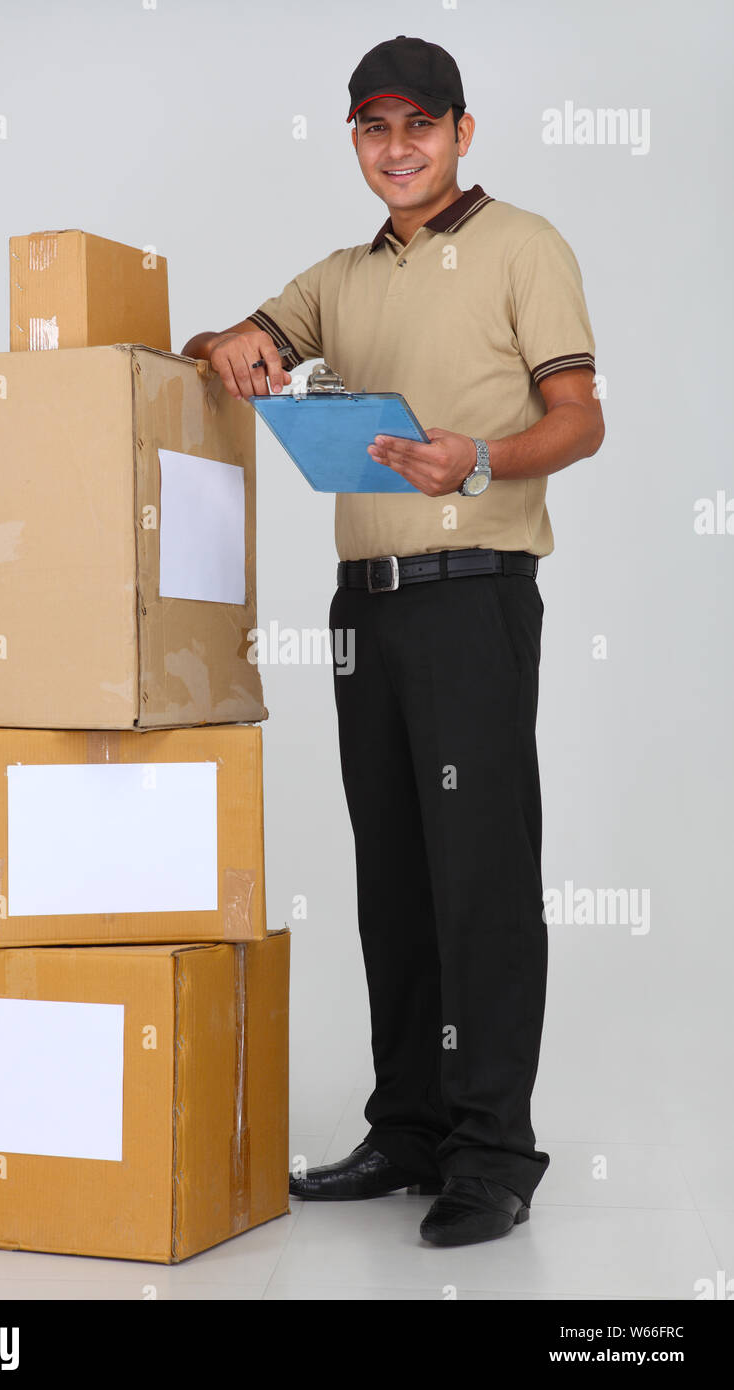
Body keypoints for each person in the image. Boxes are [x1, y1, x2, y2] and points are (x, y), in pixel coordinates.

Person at [181, 34, 604, 1247]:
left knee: (477, 874)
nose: (397, 148)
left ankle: (491, 1153)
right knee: (395, 874)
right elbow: (232, 339)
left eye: (419, 124)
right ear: (356, 142)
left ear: (462, 132)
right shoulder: (341, 274)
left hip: (473, 591)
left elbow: (578, 420)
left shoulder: (523, 245)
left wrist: (469, 456)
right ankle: (409, 1126)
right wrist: (231, 345)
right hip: (362, 604)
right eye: (374, 128)